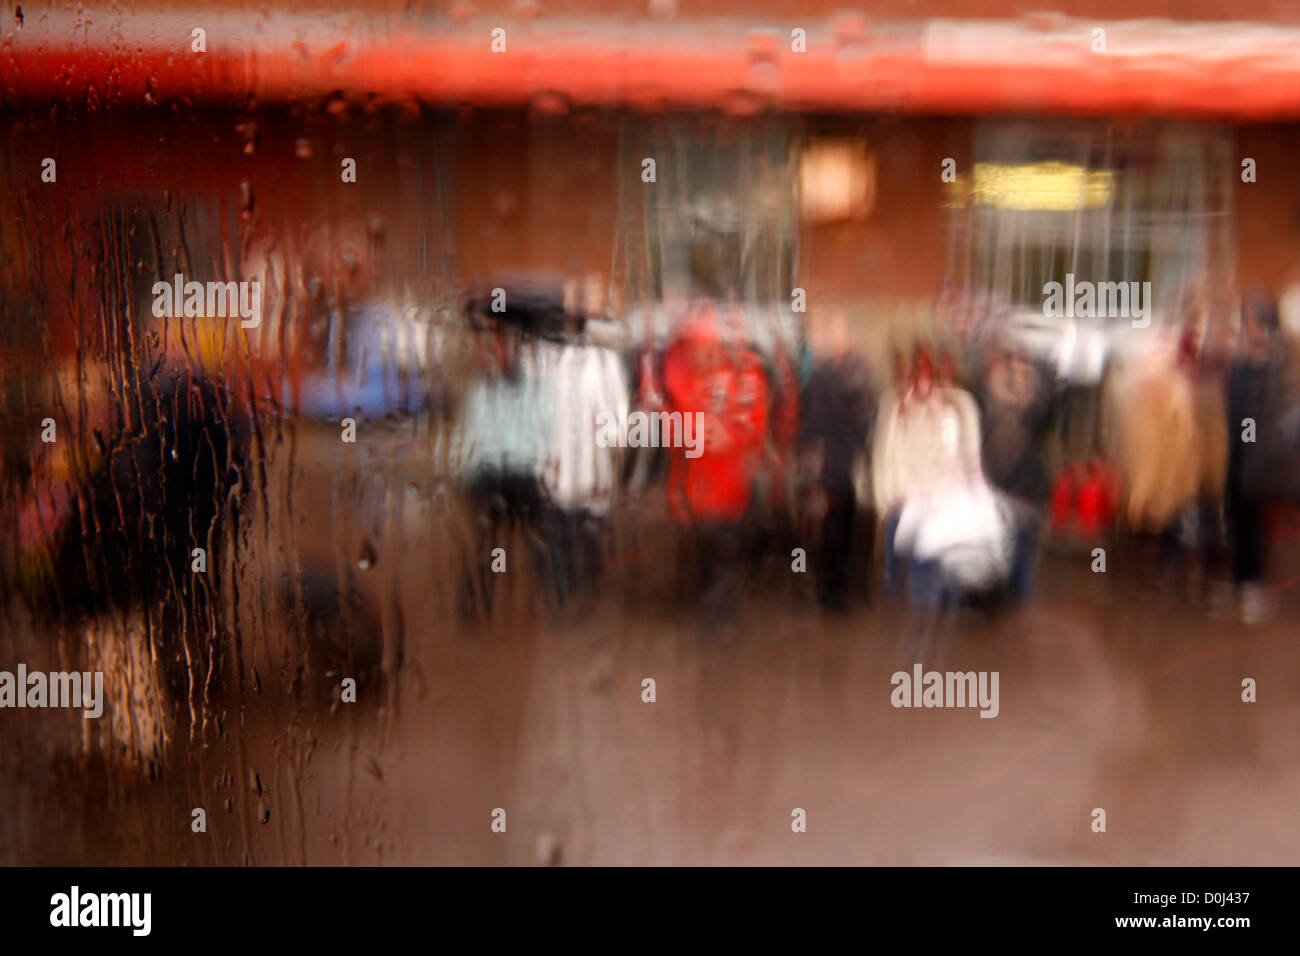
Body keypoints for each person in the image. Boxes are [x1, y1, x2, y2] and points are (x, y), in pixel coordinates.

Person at [797, 308, 875, 610]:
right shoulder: (819, 375)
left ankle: (845, 587)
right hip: (827, 463)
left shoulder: (852, 371)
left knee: (849, 524)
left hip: (846, 462)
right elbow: (811, 425)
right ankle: (830, 592)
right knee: (829, 528)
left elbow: (863, 417)